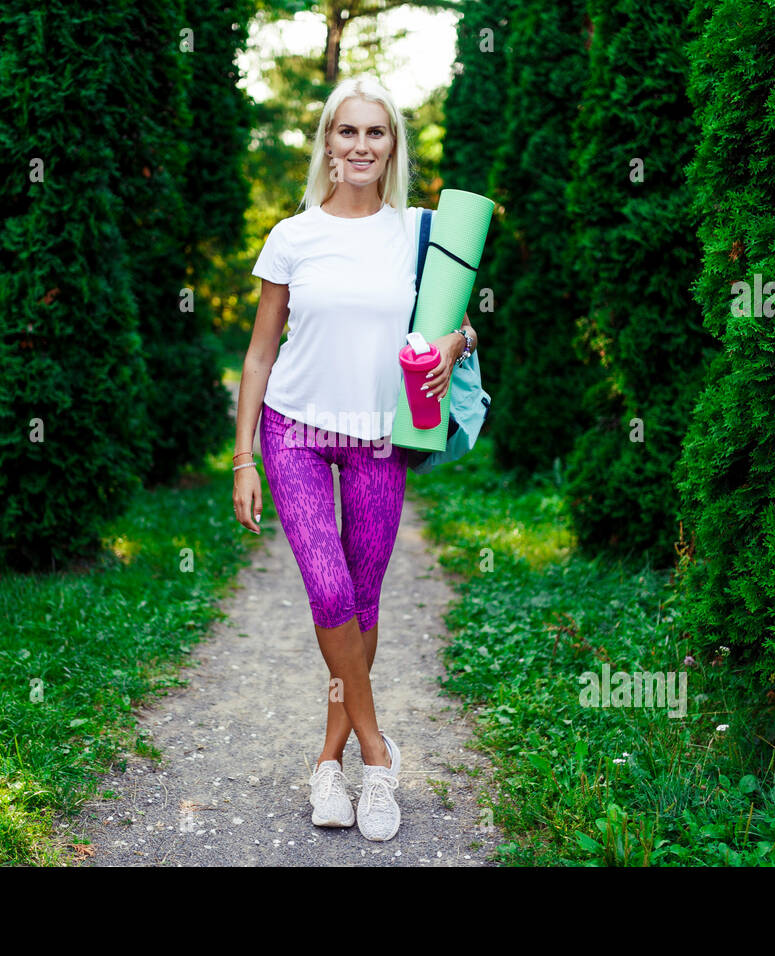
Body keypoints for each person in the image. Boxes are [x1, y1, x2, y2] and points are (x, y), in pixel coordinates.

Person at [231, 75, 477, 842]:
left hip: (380, 436)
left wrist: (454, 342)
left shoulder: (416, 235)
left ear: (392, 146)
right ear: (328, 145)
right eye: (348, 132)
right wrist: (243, 458)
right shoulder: (292, 235)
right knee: (330, 592)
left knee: (364, 605)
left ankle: (327, 763)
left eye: (377, 133)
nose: (362, 146)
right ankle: (378, 753)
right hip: (294, 430)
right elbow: (261, 352)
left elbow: (462, 327)